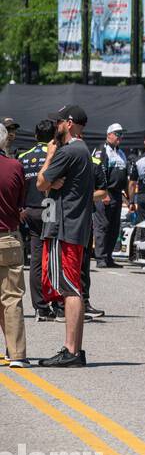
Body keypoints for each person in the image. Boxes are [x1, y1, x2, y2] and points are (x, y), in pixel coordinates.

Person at [36, 104, 97, 367]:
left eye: (59, 121)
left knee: (70, 289)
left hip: (65, 227)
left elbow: (40, 183)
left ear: (69, 123)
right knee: (72, 287)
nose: (55, 126)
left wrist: (50, 156)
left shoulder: (68, 151)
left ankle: (71, 351)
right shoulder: (82, 150)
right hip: (73, 226)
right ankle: (74, 350)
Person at [17, 119, 56, 320]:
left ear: (35, 137)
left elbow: (18, 184)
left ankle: (40, 307)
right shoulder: (56, 153)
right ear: (53, 136)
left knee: (35, 259)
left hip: (30, 210)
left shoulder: (23, 157)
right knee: (55, 256)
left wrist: (20, 207)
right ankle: (57, 303)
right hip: (51, 209)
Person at [0, 121, 28, 366]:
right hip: (8, 236)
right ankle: (16, 353)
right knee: (12, 297)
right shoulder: (15, 166)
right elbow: (20, 205)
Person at [91, 122, 128, 268]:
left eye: (121, 134)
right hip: (104, 193)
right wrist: (103, 193)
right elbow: (97, 172)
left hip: (117, 194)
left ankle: (109, 256)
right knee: (102, 225)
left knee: (114, 227)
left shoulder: (121, 153)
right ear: (109, 135)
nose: (120, 137)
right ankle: (100, 257)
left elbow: (123, 175)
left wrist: (126, 195)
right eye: (117, 134)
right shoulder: (101, 150)